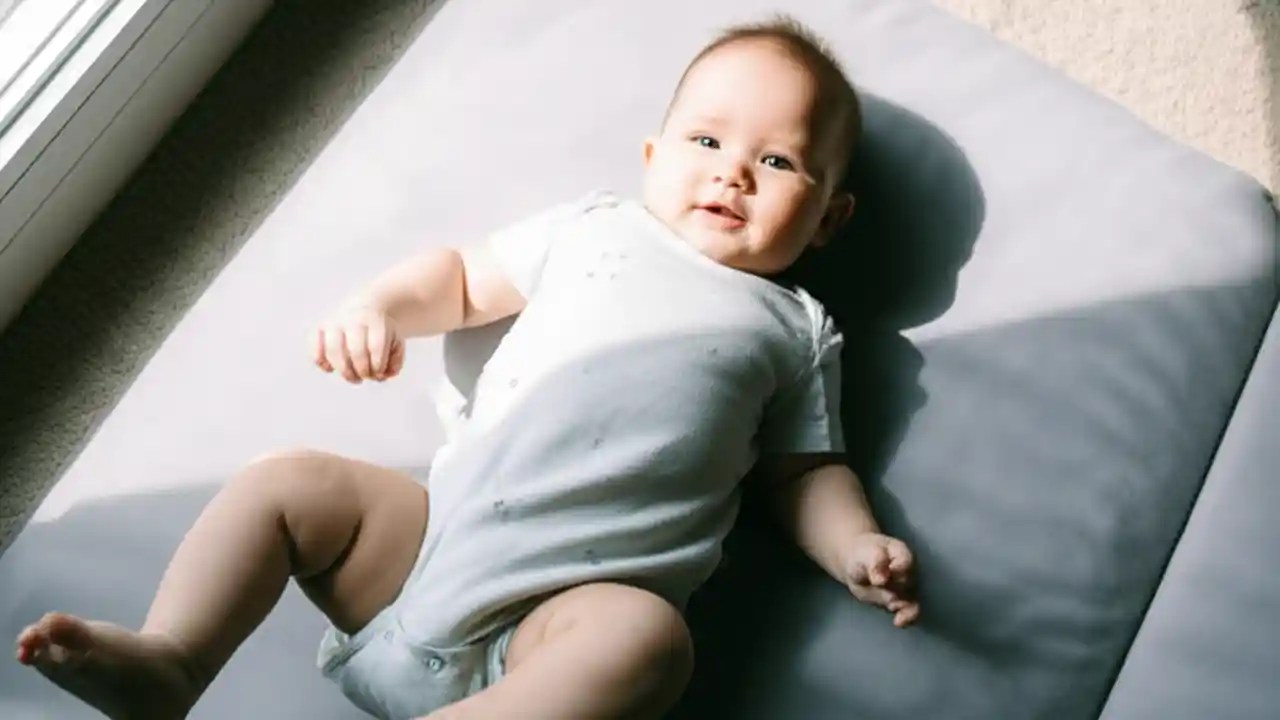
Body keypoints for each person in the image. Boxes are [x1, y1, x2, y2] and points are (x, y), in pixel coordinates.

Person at [14, 14, 919, 720]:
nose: (734, 176)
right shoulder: (594, 227)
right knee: (284, 485)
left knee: (651, 644)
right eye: (708, 142)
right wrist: (378, 308)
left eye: (777, 160)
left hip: (560, 626)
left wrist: (854, 546)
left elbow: (805, 471)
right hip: (424, 558)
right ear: (653, 158)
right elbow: (456, 277)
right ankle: (172, 658)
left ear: (829, 219)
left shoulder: (794, 328)